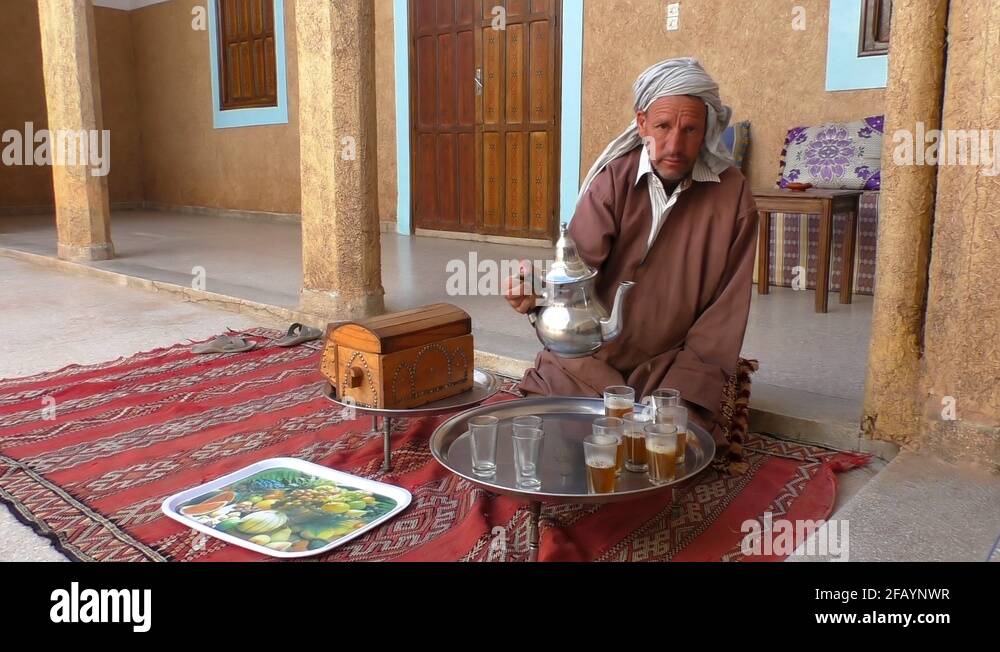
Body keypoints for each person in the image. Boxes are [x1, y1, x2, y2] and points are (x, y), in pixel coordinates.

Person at [505, 57, 759, 445]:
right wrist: (535, 291)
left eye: (690, 129)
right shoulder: (614, 181)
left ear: (707, 128)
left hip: (673, 362)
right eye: (662, 127)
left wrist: (685, 382)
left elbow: (724, 313)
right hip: (594, 358)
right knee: (550, 422)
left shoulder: (733, 193)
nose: (675, 145)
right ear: (642, 125)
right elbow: (575, 276)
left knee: (675, 435)